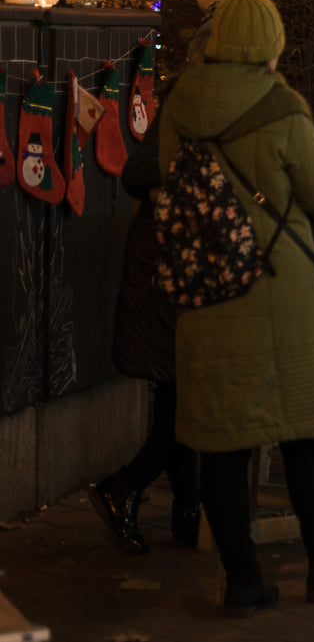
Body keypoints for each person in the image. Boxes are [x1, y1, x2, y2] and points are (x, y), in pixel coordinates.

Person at [159, 0, 314, 617]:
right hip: (278, 286)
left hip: (205, 286)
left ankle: (243, 580)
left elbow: (173, 174)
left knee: (224, 442)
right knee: (300, 432)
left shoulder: (181, 99)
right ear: (274, 41)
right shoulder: (281, 103)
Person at [88, 119, 197, 555]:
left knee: (179, 394)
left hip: (177, 265)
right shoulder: (187, 108)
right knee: (180, 396)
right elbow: (138, 172)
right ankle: (127, 486)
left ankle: (188, 513)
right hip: (166, 269)